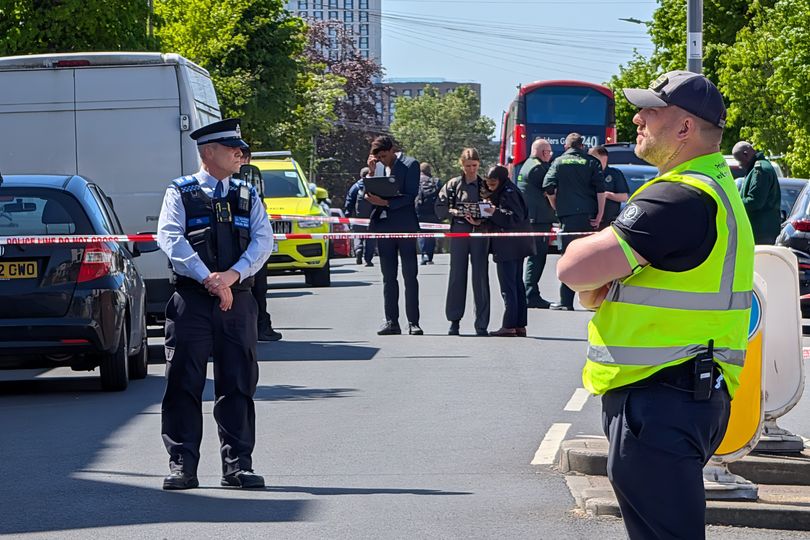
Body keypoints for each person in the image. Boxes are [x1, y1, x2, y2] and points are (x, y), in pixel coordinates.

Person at [557, 71, 754, 539]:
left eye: (650, 110)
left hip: (662, 398)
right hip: (683, 393)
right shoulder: (711, 187)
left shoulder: (678, 196)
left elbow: (574, 271)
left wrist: (603, 270)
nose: (637, 117)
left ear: (685, 128)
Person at [157, 118, 273, 491]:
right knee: (183, 383)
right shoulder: (180, 192)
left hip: (237, 302)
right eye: (231, 148)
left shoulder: (248, 194)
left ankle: (238, 465)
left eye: (240, 149)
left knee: (238, 383)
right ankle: (182, 466)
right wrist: (209, 277)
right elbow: (171, 239)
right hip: (192, 300)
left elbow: (262, 242)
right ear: (208, 152)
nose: (240, 154)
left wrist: (231, 277)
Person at [365, 136, 422, 335]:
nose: (382, 160)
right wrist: (371, 173)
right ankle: (391, 321)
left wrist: (386, 203)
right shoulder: (377, 168)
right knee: (388, 277)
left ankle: (413, 322)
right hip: (384, 226)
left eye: (384, 156)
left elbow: (410, 195)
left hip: (405, 225)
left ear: (392, 150)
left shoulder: (410, 164)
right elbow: (367, 197)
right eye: (378, 157)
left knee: (409, 276)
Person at [542, 132, 605, 311]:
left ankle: (566, 301)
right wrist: (599, 215)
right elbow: (601, 190)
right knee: (589, 257)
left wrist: (556, 205)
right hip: (588, 216)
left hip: (567, 217)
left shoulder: (559, 161)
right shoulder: (592, 162)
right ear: (582, 146)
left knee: (569, 257)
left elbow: (548, 186)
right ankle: (592, 299)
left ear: (566, 146)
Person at [435, 148, 490, 336]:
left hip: (480, 233)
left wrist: (481, 217)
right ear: (461, 165)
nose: (471, 170)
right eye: (468, 166)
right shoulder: (453, 184)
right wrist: (458, 213)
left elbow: (494, 210)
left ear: (479, 164)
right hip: (459, 232)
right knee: (457, 275)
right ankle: (454, 320)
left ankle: (481, 324)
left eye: (474, 166)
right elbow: (440, 208)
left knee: (480, 277)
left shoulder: (486, 185)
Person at [481, 165, 535, 337]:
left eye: (493, 182)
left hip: (508, 245)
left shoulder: (509, 193)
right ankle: (519, 324)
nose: (490, 186)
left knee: (508, 286)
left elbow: (513, 218)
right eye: (488, 183)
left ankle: (509, 325)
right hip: (517, 244)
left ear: (501, 180)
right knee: (517, 285)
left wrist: (492, 212)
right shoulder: (510, 190)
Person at [241, 147, 282, 342]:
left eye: (242, 157)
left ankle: (262, 325)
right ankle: (258, 325)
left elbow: (260, 203)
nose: (240, 161)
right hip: (241, 238)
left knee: (259, 286)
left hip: (252, 238)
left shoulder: (251, 175)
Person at [516, 138, 555, 309]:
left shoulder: (527, 164)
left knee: (535, 256)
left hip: (532, 217)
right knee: (537, 257)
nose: (551, 155)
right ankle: (530, 293)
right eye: (549, 152)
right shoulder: (539, 168)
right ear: (543, 153)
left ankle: (530, 292)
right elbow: (550, 189)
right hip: (538, 219)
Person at [733, 140, 781, 244]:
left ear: (746, 154)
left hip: (761, 232)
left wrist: (734, 203)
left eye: (740, 160)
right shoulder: (759, 167)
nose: (740, 165)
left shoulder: (760, 170)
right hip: (761, 230)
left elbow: (755, 201)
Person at [588, 145, 629, 230]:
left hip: (609, 222)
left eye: (591, 157)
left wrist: (606, 195)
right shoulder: (587, 174)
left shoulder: (615, 174)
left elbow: (624, 197)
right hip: (589, 220)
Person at [344, 167, 375, 266]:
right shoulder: (375, 186)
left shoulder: (355, 187)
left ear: (360, 175)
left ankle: (359, 249)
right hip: (372, 217)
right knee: (371, 238)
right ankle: (368, 259)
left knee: (358, 235)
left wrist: (347, 215)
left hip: (358, 217)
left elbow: (349, 201)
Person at [415, 162, 442, 265]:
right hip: (433, 211)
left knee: (421, 232)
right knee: (431, 233)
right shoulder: (436, 181)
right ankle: (430, 256)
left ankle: (424, 254)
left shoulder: (416, 181)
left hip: (420, 211)